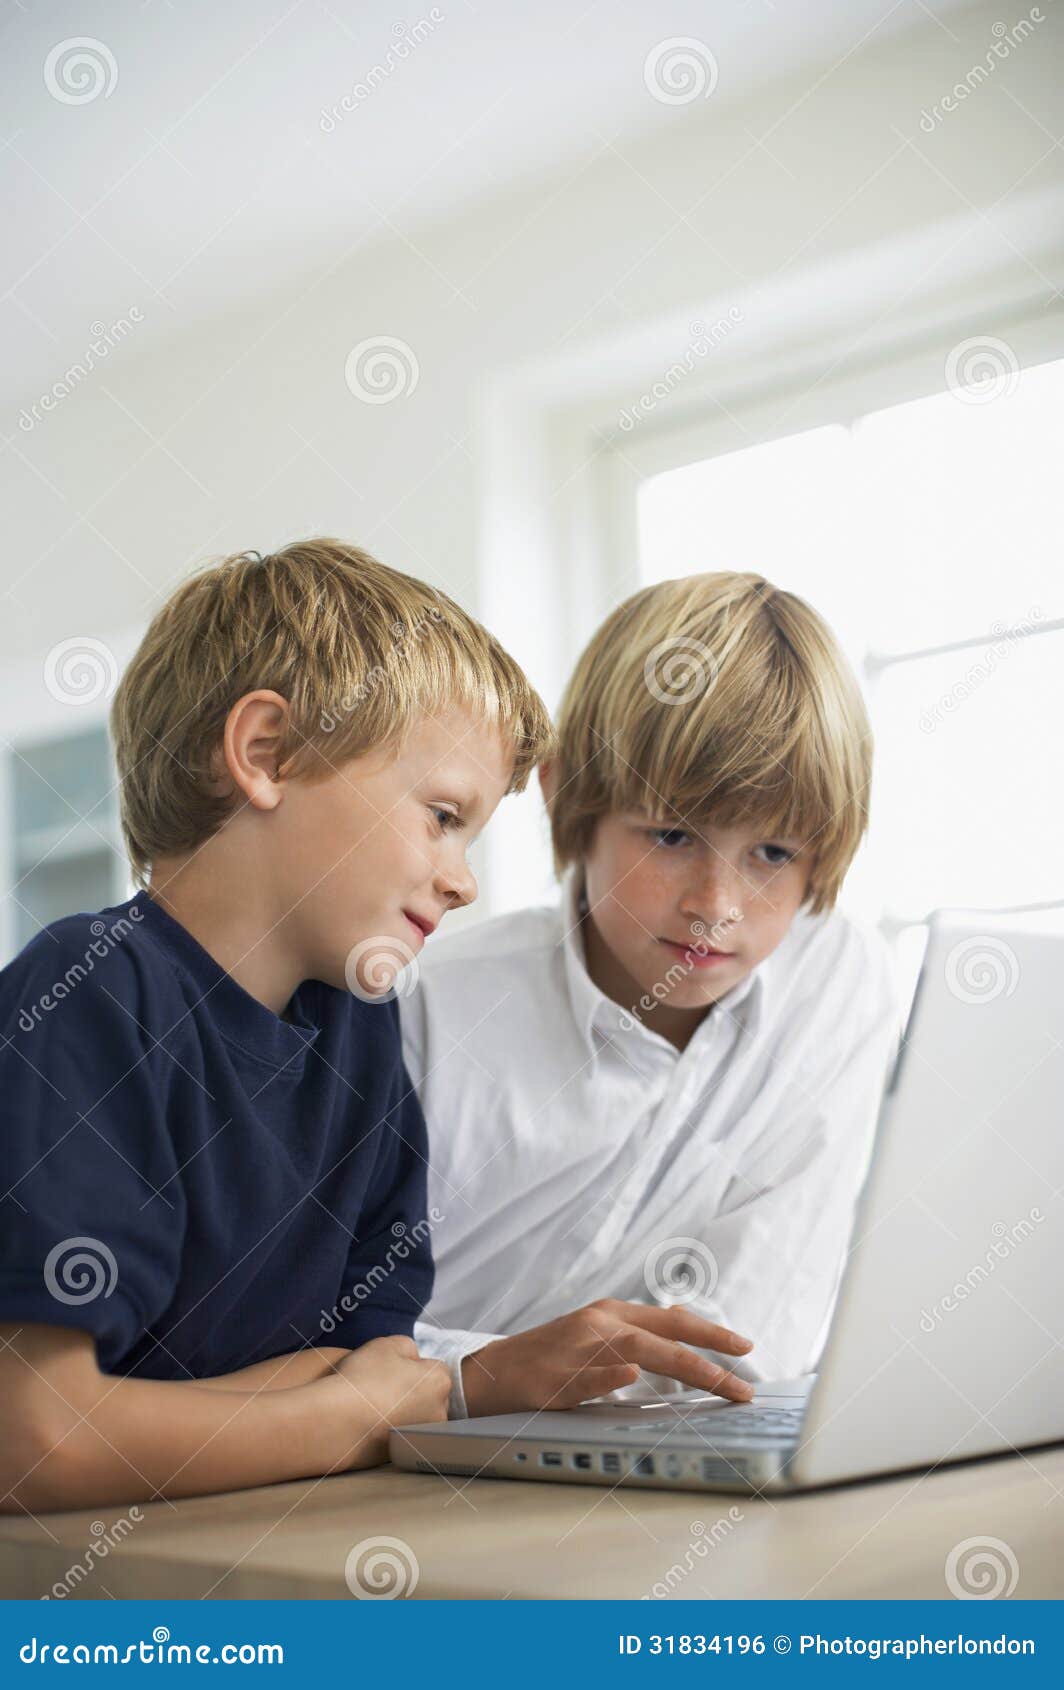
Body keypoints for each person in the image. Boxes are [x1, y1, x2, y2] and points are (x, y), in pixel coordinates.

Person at [0, 538, 553, 1510]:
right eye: (439, 814)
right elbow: (37, 1440)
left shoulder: (361, 1030)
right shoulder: (91, 998)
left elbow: (376, 1358)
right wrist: (340, 1415)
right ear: (266, 754)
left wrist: (170, 1417)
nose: (463, 879)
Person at [404, 572, 901, 1418]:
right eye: (672, 836)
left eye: (774, 853)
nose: (718, 905)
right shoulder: (424, 1009)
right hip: (405, 1464)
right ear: (567, 796)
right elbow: (321, 1339)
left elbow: (755, 1340)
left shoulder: (837, 980)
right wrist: (481, 1372)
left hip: (679, 1458)